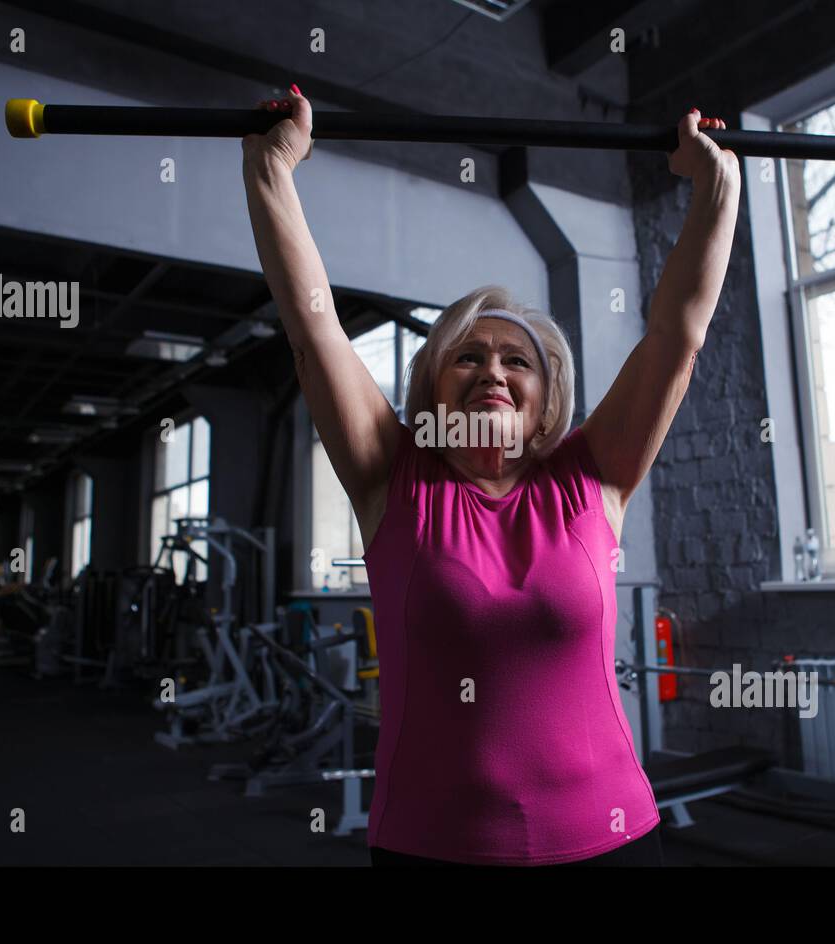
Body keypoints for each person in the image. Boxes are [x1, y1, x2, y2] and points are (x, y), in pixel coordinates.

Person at [242, 87, 739, 866]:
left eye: (518, 360)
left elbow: (678, 333)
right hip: (433, 849)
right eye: (467, 357)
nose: (492, 372)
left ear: (548, 400)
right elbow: (312, 328)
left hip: (611, 837)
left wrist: (716, 187)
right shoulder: (390, 475)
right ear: (433, 386)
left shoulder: (593, 473)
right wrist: (272, 169)